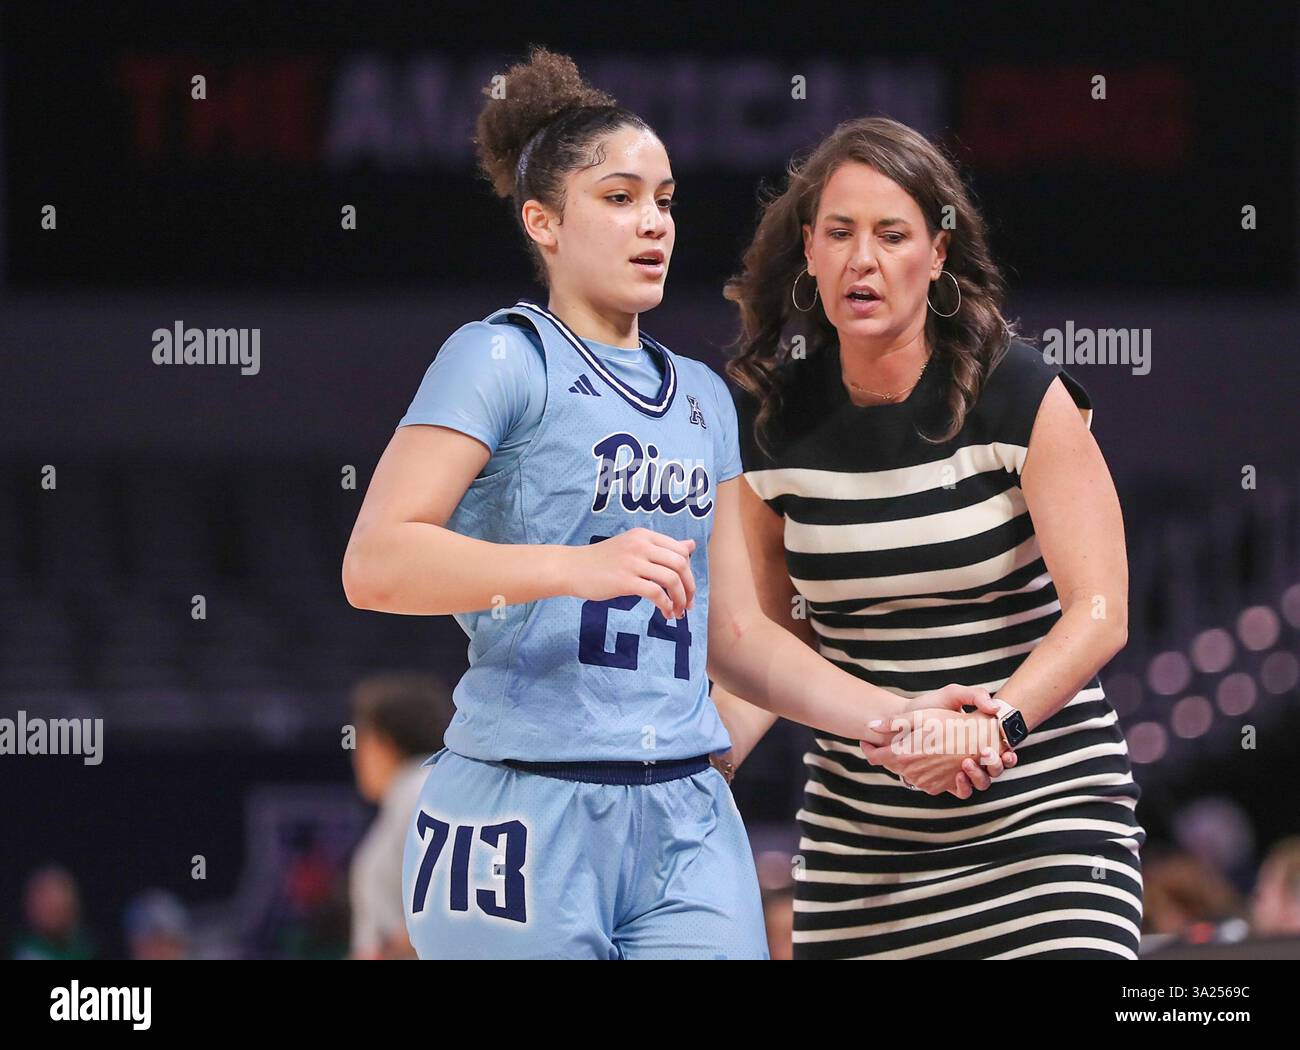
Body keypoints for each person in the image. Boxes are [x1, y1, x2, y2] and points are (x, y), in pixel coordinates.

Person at [342, 49, 1009, 960]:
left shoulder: (702, 397)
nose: (653, 223)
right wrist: (575, 567)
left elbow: (738, 637)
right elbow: (375, 563)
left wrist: (887, 718)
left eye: (664, 200)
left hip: (687, 808)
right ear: (542, 220)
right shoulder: (500, 356)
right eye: (619, 198)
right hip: (524, 801)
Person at [716, 116, 1146, 959]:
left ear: (938, 254)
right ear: (808, 251)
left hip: (1044, 825)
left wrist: (997, 726)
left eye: (892, 234)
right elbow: (769, 643)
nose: (861, 259)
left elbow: (1101, 611)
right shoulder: (764, 422)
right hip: (863, 857)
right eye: (838, 233)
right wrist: (698, 760)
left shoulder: (1017, 390)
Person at [348, 671, 453, 959]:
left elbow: (450, 908)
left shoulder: (419, 788)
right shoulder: (410, 792)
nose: (355, 754)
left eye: (362, 738)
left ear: (384, 741)